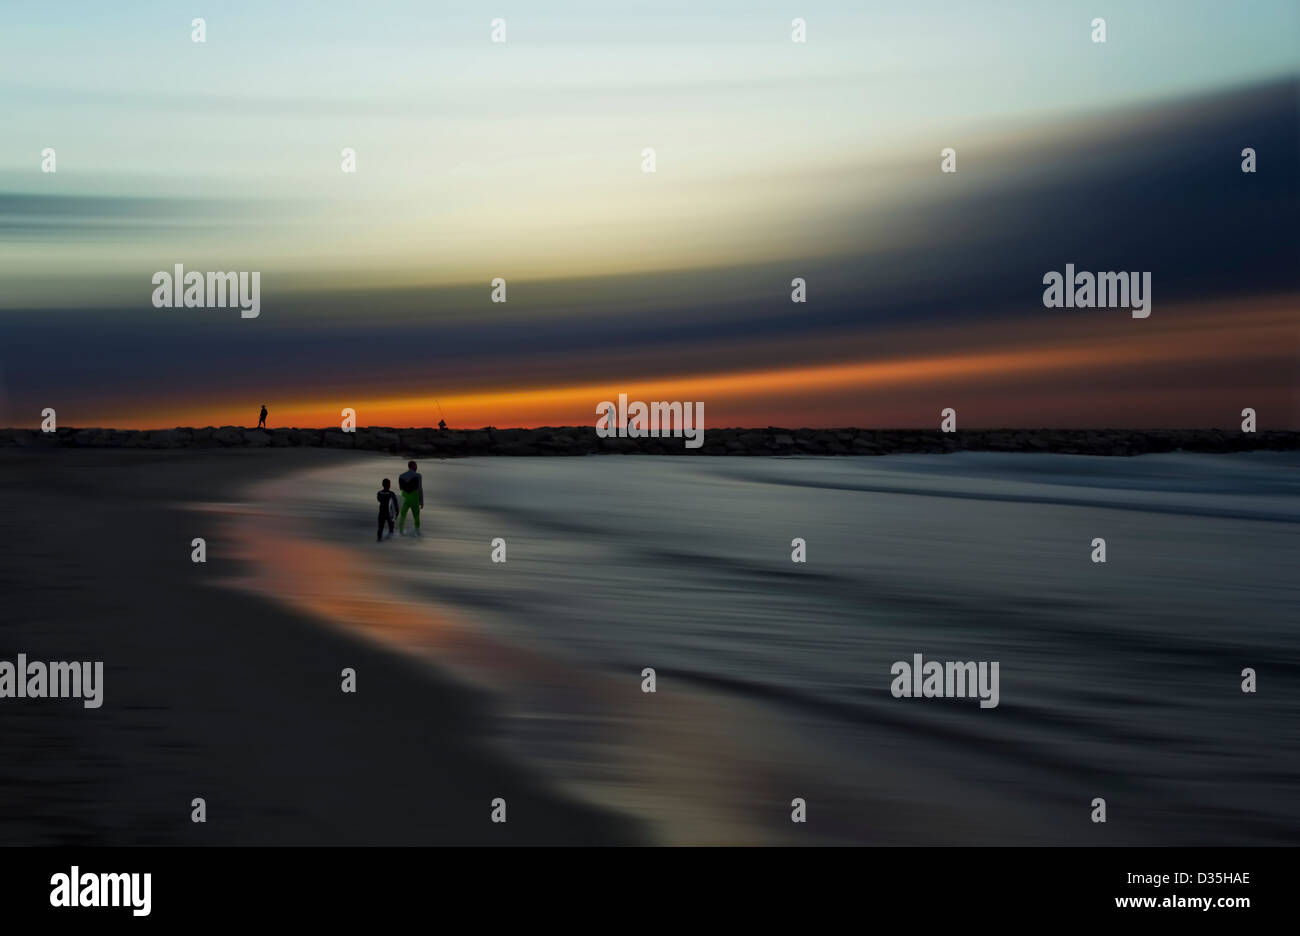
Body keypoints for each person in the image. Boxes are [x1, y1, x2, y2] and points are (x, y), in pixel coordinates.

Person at [397, 460, 423, 536]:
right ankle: (417, 531)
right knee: (416, 516)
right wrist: (421, 501)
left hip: (404, 496)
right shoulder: (418, 475)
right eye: (416, 465)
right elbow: (420, 489)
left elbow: (401, 488)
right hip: (414, 497)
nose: (417, 467)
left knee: (402, 515)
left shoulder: (401, 476)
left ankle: (401, 531)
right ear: (413, 466)